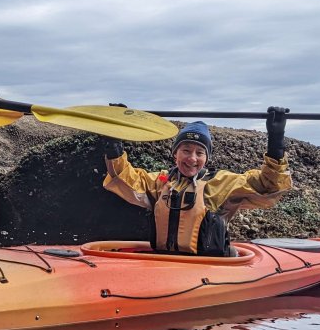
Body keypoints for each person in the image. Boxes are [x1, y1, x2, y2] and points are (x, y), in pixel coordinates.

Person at [102, 107, 292, 256]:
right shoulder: (161, 182)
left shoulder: (220, 183)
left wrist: (276, 143)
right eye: (186, 150)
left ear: (206, 158)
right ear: (175, 154)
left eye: (199, 152)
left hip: (207, 267)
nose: (192, 158)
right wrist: (114, 144)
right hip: (164, 261)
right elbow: (124, 179)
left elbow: (268, 185)